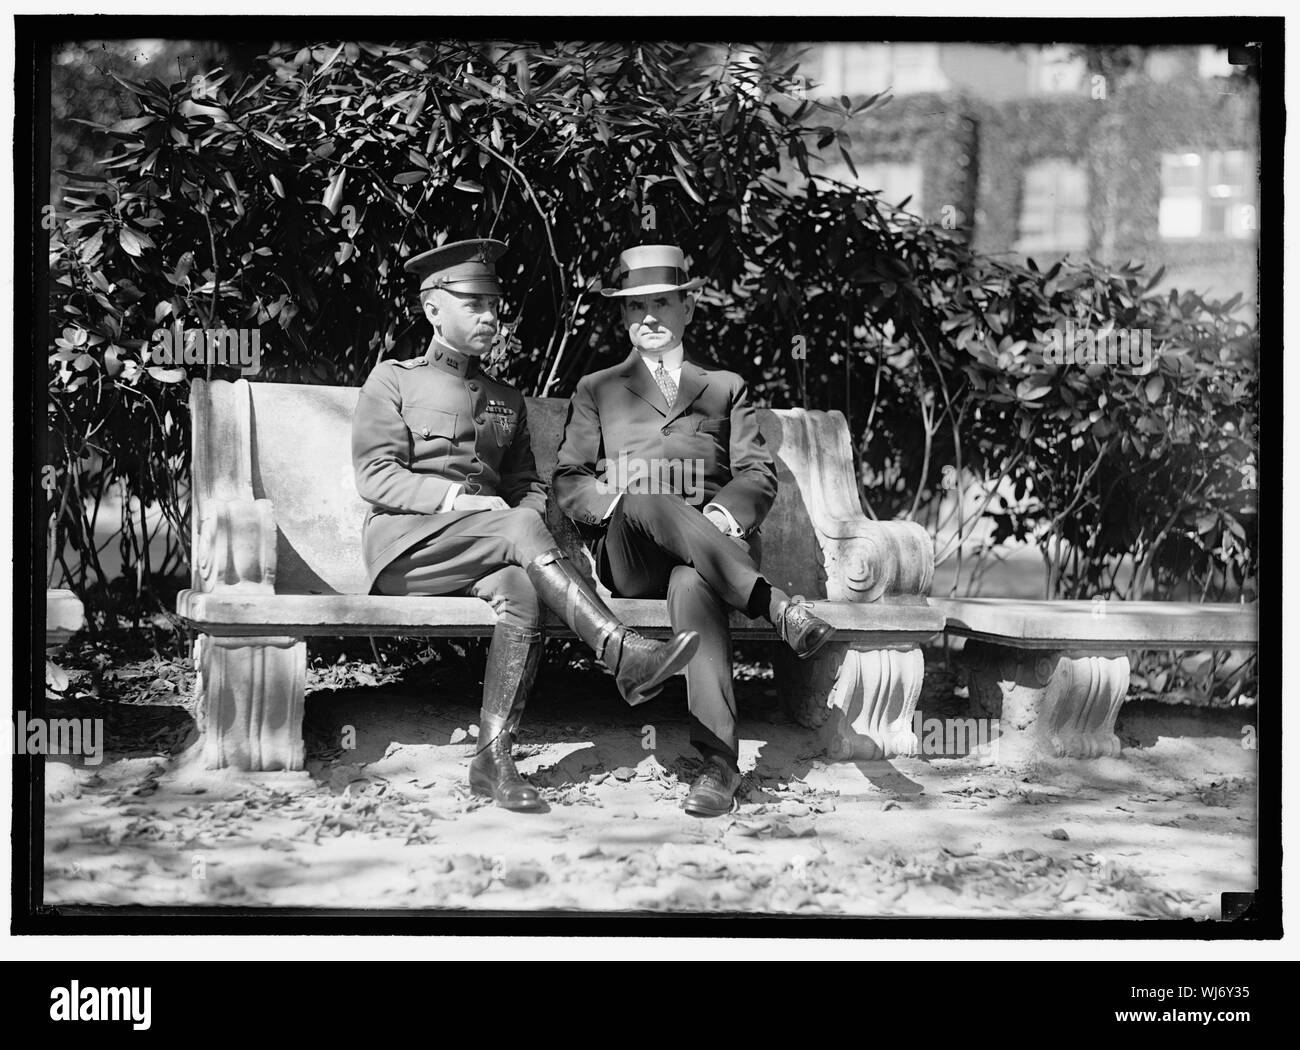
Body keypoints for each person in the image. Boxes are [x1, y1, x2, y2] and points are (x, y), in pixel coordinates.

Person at [351, 238, 699, 812]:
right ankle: (620, 651)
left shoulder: (503, 397)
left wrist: (529, 518)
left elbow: (525, 487)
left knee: (521, 593)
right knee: (515, 532)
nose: (491, 316)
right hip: (406, 551)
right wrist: (457, 504)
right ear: (433, 309)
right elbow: (375, 475)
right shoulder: (393, 380)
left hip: (492, 552)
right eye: (474, 305)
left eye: (494, 305)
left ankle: (493, 757)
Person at [552, 244, 836, 818]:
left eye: (662, 303)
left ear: (688, 307)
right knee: (644, 492)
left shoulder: (725, 386)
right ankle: (775, 604)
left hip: (713, 547)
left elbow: (756, 472)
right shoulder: (597, 388)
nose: (649, 318)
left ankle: (717, 767)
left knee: (692, 582)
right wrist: (612, 506)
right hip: (630, 547)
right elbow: (569, 479)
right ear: (624, 318)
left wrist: (721, 518)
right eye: (635, 308)